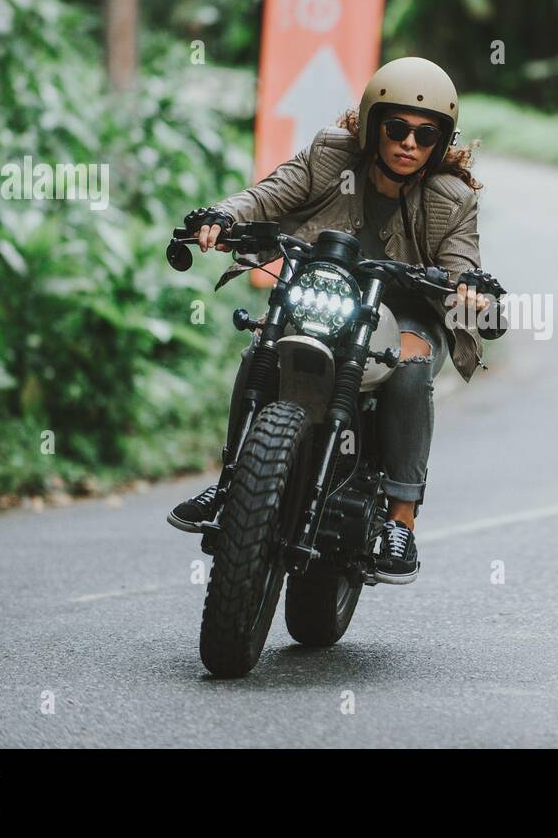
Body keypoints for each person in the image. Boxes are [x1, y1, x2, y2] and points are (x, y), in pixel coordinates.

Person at [166, 57, 490, 585]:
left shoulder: (451, 199)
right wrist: (224, 217)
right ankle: (232, 481)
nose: (409, 143)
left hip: (404, 310)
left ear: (439, 141)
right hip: (325, 291)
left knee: (410, 366)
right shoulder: (329, 155)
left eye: (426, 134)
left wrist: (469, 287)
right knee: (262, 350)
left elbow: (462, 262)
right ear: (371, 124)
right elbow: (270, 194)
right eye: (397, 127)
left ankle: (401, 519)